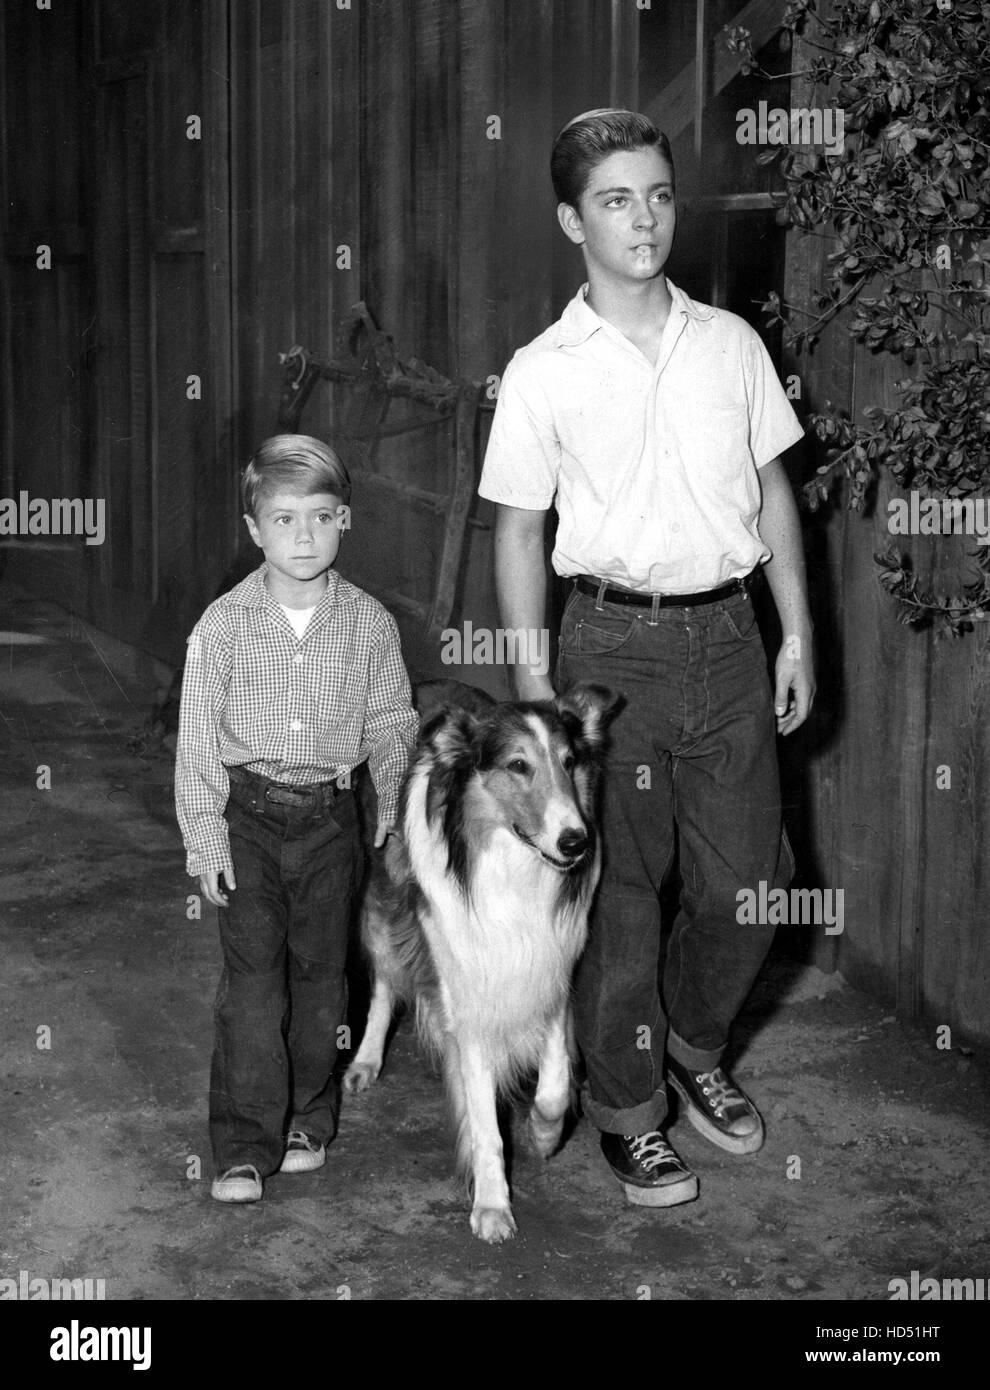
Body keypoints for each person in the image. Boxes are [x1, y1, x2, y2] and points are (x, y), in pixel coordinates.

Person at [478, 109, 815, 1208]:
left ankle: (694, 1041)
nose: (646, 218)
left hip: (728, 634)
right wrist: (534, 687)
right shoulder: (541, 371)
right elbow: (520, 528)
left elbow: (772, 491)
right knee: (619, 896)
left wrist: (796, 627)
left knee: (752, 888)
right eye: (618, 199)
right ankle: (629, 1109)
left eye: (661, 194)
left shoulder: (731, 345)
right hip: (606, 645)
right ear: (573, 219)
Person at [175, 434, 418, 1203]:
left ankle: (307, 1119)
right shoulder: (222, 627)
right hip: (247, 818)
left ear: (345, 521)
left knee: (320, 981)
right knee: (254, 988)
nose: (303, 535)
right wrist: (205, 836)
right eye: (283, 520)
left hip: (331, 822)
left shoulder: (370, 624)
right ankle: (244, 1146)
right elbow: (197, 743)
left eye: (320, 516)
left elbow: (392, 720)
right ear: (254, 530)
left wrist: (388, 796)